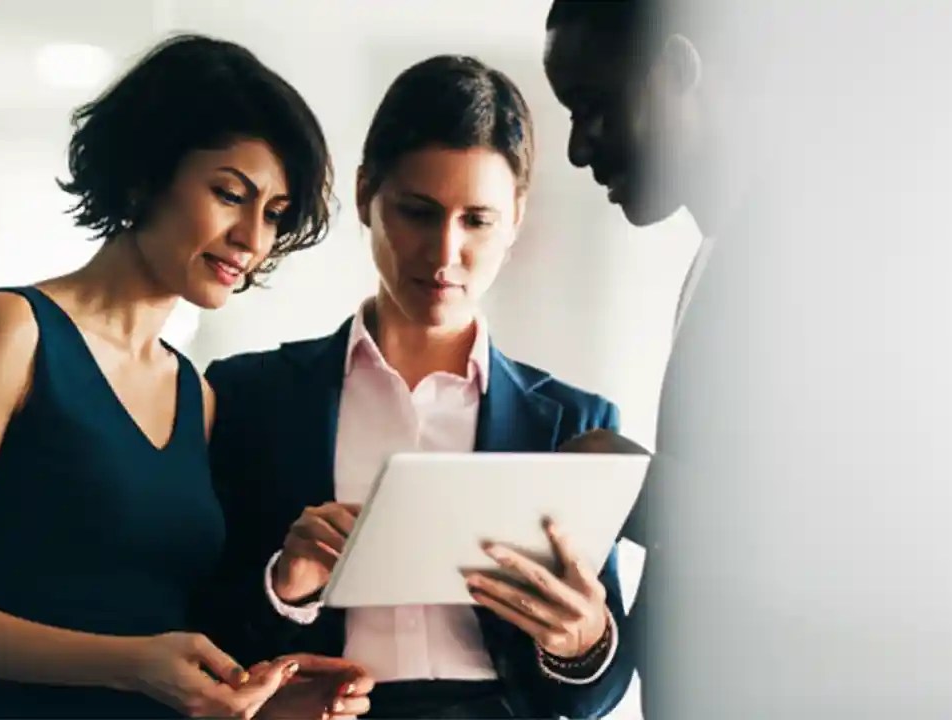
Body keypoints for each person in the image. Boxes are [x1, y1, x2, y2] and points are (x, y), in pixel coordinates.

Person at [0, 33, 373, 719]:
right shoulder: (13, 331)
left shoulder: (199, 397)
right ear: (145, 174)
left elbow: (172, 645)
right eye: (230, 194)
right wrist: (131, 666)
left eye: (274, 215)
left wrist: (263, 699)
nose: (252, 239)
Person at [200, 55, 635, 718]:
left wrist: (582, 641)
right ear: (367, 193)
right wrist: (284, 589)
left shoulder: (572, 423)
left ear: (516, 218)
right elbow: (205, 631)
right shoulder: (249, 398)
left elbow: (593, 698)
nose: (444, 253)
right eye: (418, 212)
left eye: (477, 221)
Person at [544, 0, 754, 716]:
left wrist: (645, 490)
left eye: (592, 105)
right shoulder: (714, 262)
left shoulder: (817, 256)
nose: (578, 147)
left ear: (679, 70)